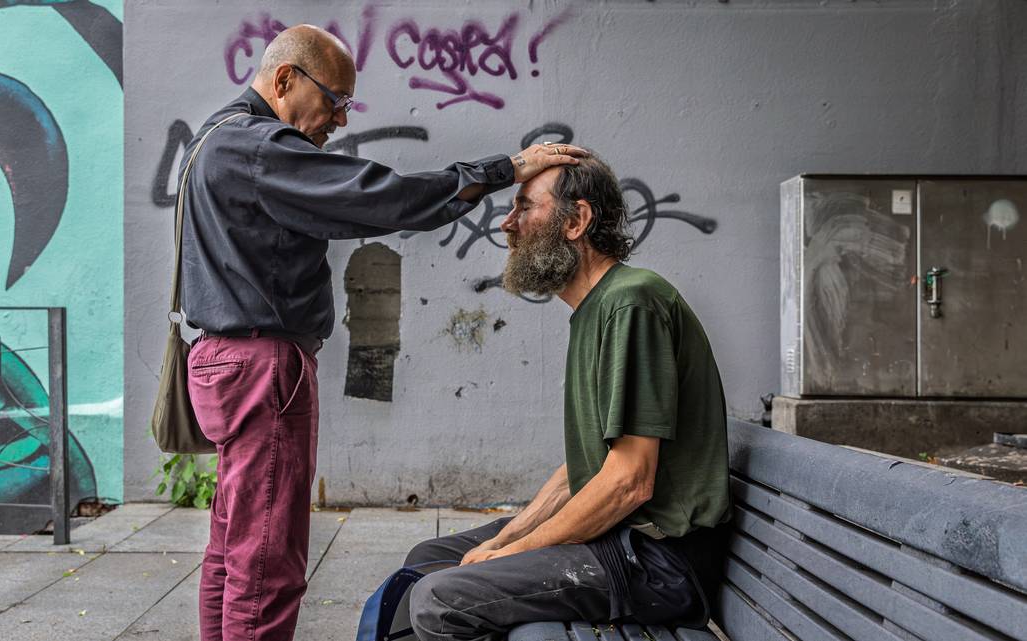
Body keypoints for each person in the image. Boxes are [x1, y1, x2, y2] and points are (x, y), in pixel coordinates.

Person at [178, 24, 587, 641]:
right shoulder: (258, 147)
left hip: (226, 362)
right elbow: (379, 199)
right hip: (263, 368)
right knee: (267, 564)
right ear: (286, 79)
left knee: (234, 549)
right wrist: (505, 169)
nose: (340, 119)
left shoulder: (215, 137)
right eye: (336, 100)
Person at [403, 154, 732, 640]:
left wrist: (513, 554)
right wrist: (509, 535)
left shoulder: (631, 304)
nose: (507, 224)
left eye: (523, 208)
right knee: (428, 560)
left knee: (440, 600)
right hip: (621, 541)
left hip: (655, 563)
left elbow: (629, 482)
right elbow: (586, 470)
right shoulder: (595, 309)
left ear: (576, 221)